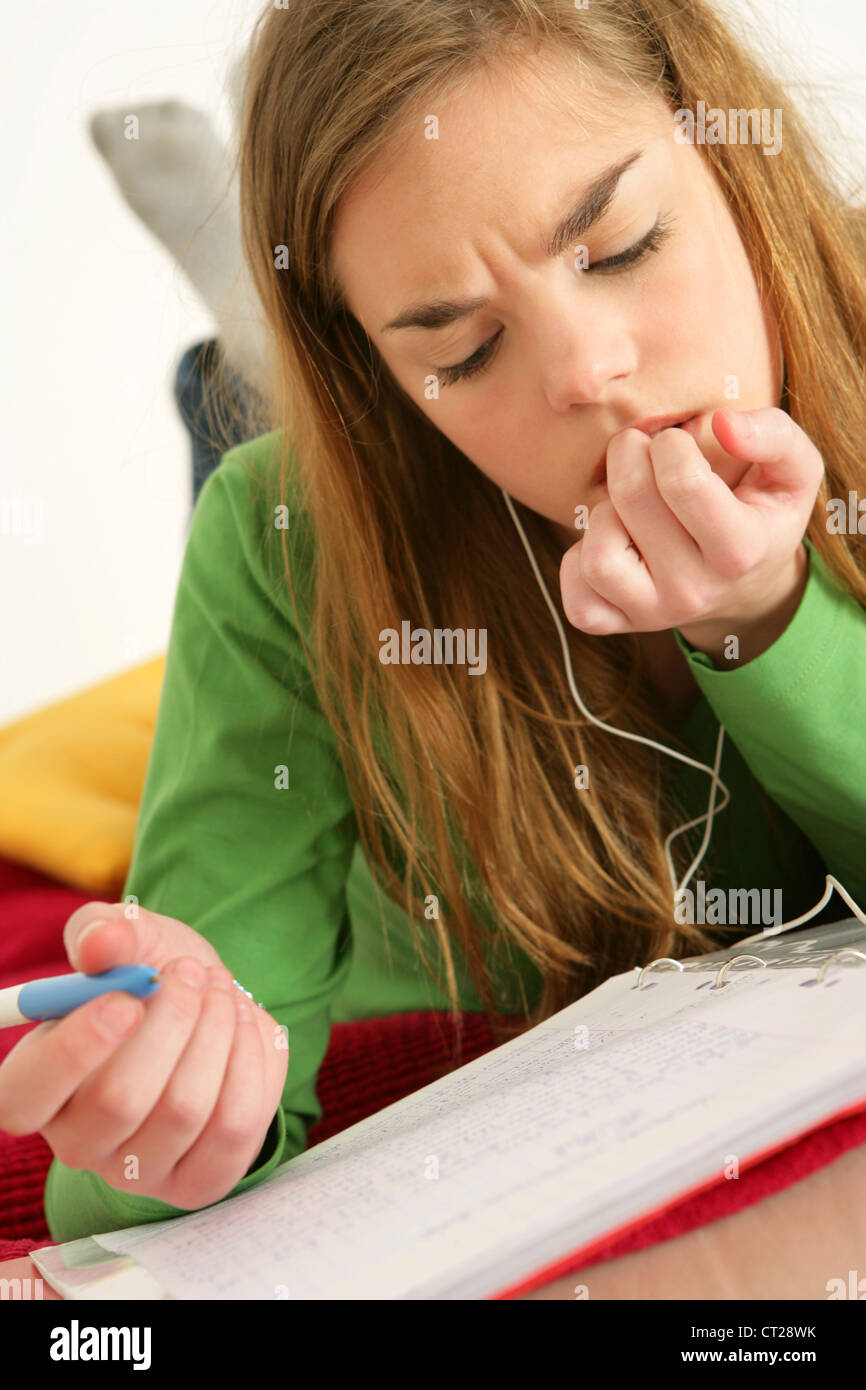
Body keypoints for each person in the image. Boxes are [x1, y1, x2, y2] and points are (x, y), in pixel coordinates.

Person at [1, 0, 865, 1298]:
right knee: (263, 469)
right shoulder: (278, 539)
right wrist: (165, 1111)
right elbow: (133, 1180)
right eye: (459, 345)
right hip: (356, 506)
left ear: (725, 154)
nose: (590, 371)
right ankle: (266, 343)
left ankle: (261, 321)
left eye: (620, 244)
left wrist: (764, 617)